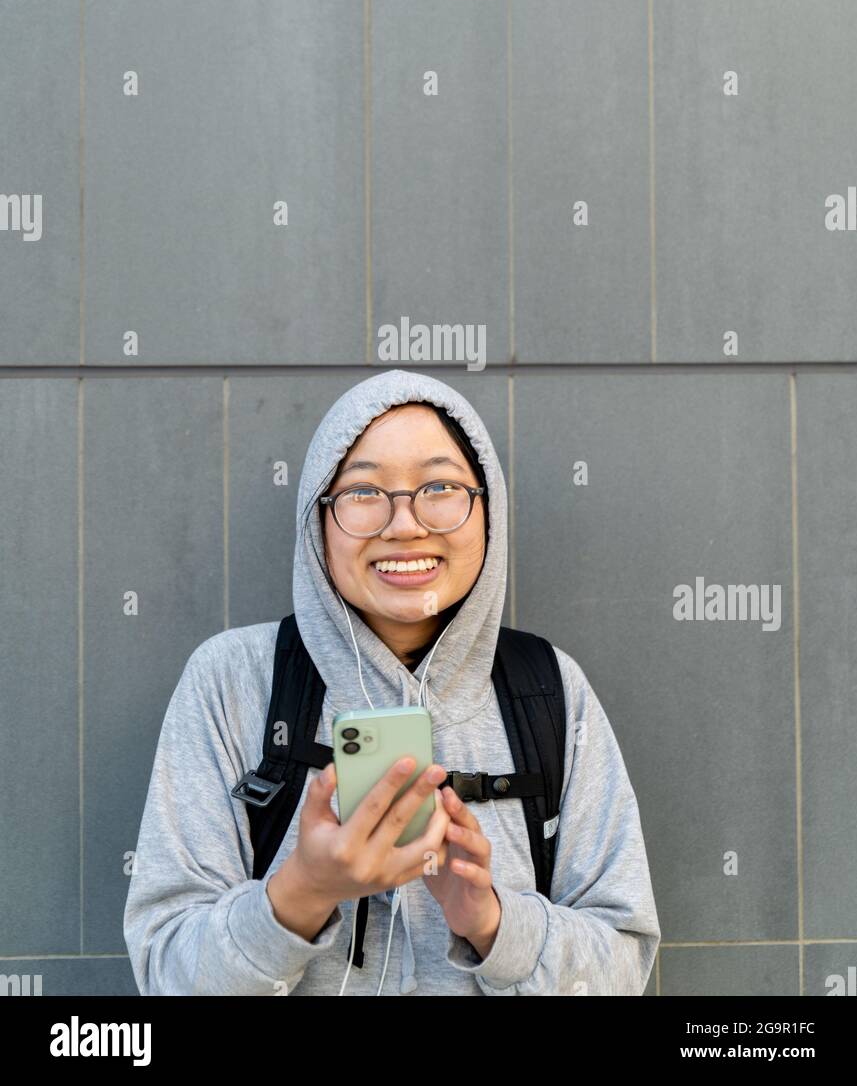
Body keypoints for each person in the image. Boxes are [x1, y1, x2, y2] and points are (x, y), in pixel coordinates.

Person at [123, 369, 661, 995]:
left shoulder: (549, 690)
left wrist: (491, 923)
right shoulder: (231, 681)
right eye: (363, 491)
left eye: (439, 486)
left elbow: (624, 966)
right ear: (316, 522)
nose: (404, 524)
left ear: (488, 509)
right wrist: (304, 891)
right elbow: (167, 974)